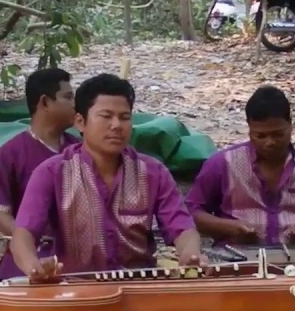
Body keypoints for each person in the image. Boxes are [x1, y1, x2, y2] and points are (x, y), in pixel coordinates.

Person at [11, 73, 205, 280]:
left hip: (138, 286)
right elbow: (24, 234)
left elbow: (182, 227)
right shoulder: (52, 172)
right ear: (80, 122)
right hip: (74, 288)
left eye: (125, 117)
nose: (116, 125)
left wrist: (190, 254)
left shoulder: (153, 172)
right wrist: (34, 267)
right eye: (106, 116)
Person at [186, 85, 295, 246]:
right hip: (235, 254)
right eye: (260, 136)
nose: (270, 142)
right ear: (249, 128)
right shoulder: (222, 164)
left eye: (278, 134)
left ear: (290, 125)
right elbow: (193, 211)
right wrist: (230, 228)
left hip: (294, 256)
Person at [0, 68, 79, 280]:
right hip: (33, 252)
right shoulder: (9, 154)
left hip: (77, 252)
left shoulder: (81, 150)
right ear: (44, 102)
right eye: (68, 97)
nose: (75, 104)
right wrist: (26, 239)